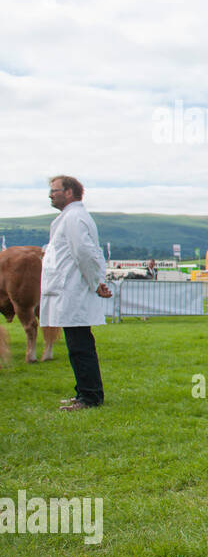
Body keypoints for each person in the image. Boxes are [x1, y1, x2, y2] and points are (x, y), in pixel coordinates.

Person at [39, 175, 112, 411]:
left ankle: (90, 398)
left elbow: (85, 253)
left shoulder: (75, 217)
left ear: (69, 192)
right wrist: (97, 281)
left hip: (73, 290)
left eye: (54, 190)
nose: (51, 194)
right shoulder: (70, 217)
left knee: (80, 346)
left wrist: (96, 282)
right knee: (76, 345)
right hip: (69, 290)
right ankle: (84, 392)